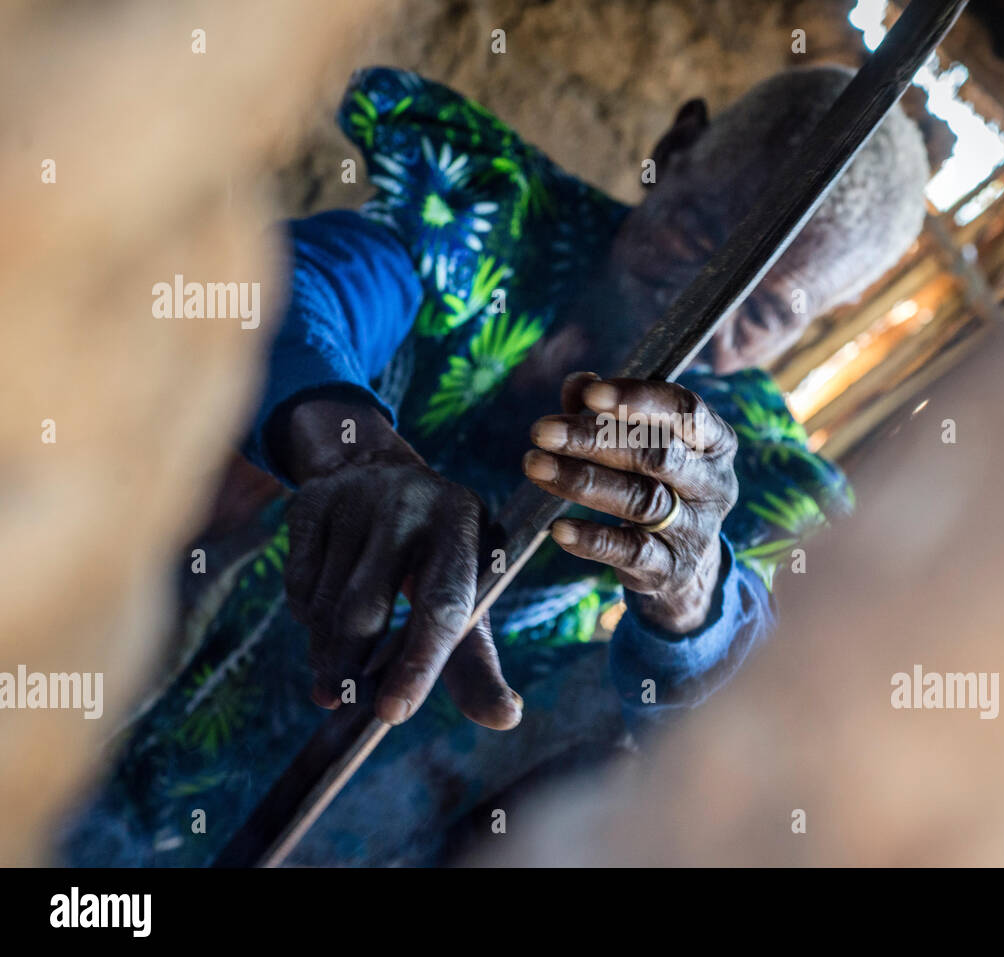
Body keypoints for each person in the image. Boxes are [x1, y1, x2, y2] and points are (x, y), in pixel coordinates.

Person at [60, 63, 932, 865]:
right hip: (172, 719)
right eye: (702, 230)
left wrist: (690, 595)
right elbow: (293, 288)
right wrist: (350, 450)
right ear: (676, 145)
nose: (706, 309)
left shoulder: (753, 480)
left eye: (768, 308)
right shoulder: (489, 221)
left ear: (818, 322)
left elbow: (763, 705)